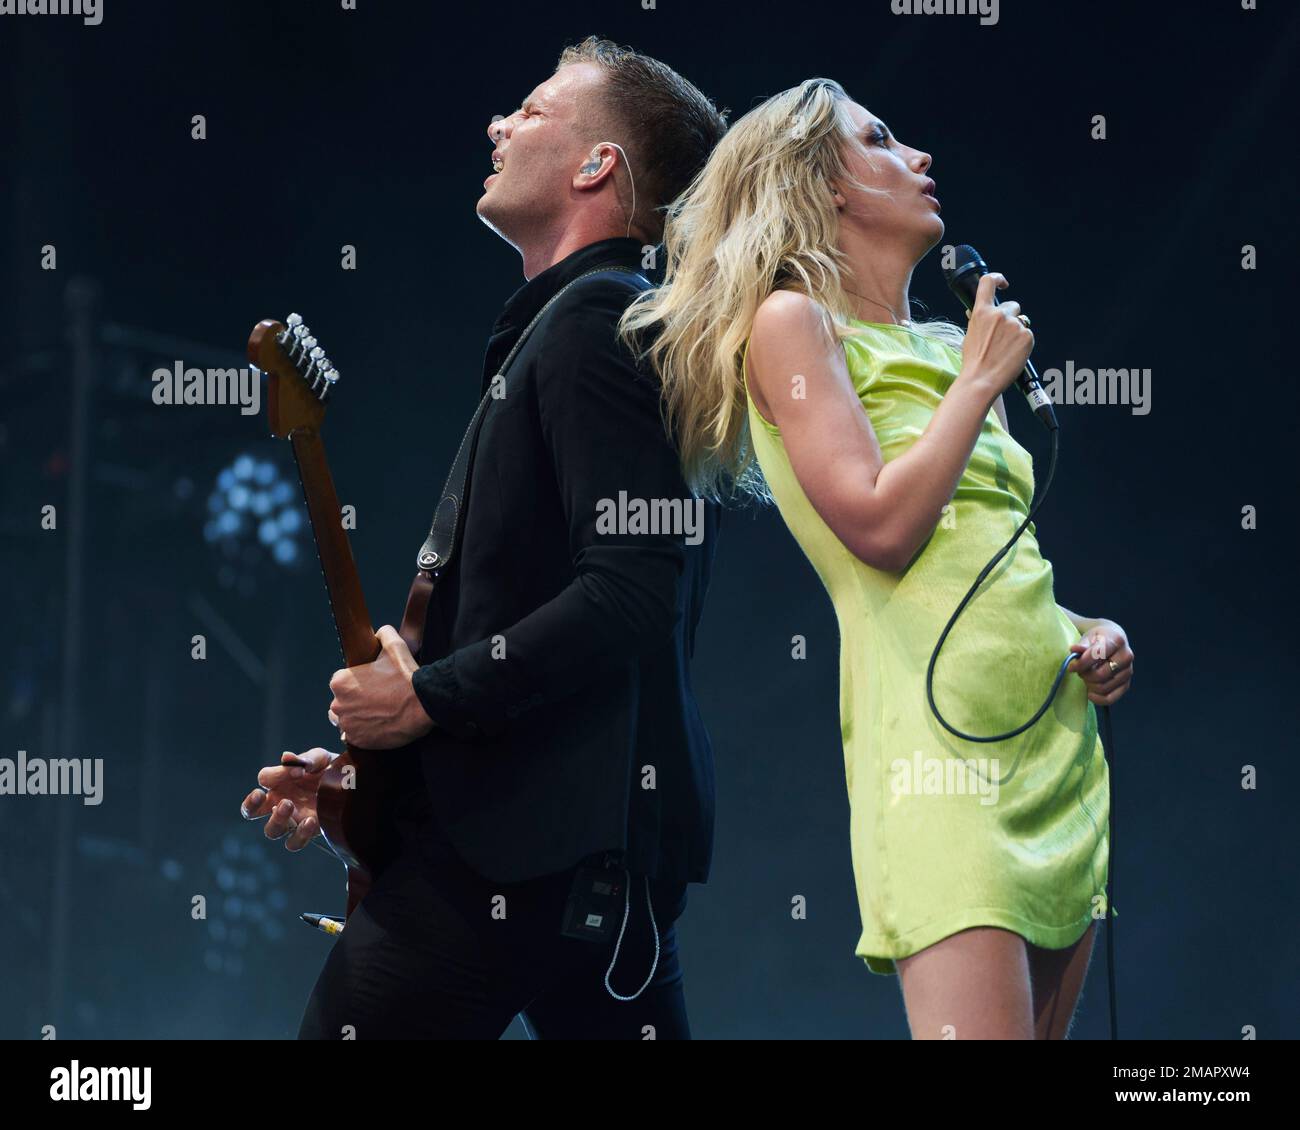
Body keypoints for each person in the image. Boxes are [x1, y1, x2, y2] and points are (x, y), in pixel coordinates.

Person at [621, 77, 1134, 1040]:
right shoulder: (791, 325)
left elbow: (983, 553)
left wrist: (1087, 632)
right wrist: (982, 382)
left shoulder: (945, 345)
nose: (921, 158)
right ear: (823, 185)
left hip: (1051, 744)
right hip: (943, 761)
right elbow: (880, 530)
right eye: (883, 140)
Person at [239, 37, 727, 1040]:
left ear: (599, 167)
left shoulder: (597, 321)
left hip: (511, 864)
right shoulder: (585, 325)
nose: (498, 124)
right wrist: (364, 778)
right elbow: (543, 615)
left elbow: (635, 589)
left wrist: (424, 700)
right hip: (569, 862)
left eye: (535, 108)